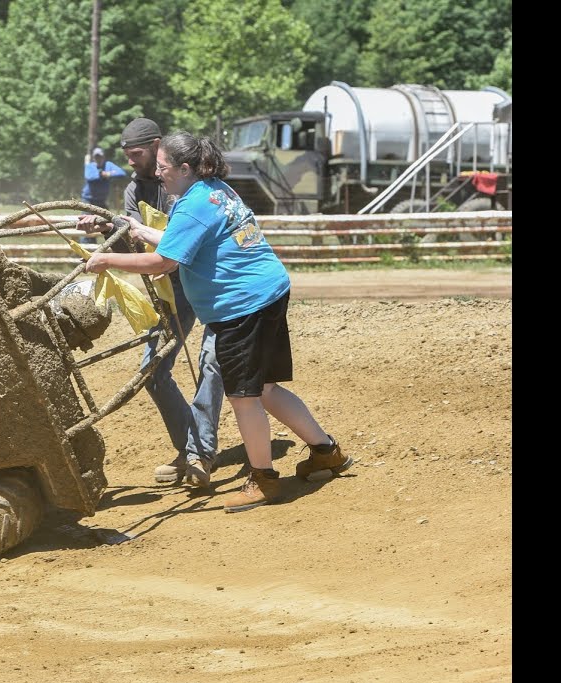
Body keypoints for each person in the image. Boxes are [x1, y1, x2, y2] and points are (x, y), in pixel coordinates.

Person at [83, 131, 354, 512]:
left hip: (241, 306)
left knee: (243, 398)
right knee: (265, 389)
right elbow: (186, 239)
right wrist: (136, 229)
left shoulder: (192, 205)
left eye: (163, 168)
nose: (158, 174)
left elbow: (165, 261)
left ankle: (263, 479)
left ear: (185, 168)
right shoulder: (215, 190)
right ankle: (327, 452)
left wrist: (106, 260)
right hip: (268, 291)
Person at [77, 118, 222, 491]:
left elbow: (179, 243)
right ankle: (189, 448)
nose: (132, 163)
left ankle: (199, 452)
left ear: (158, 147)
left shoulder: (189, 183)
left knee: (212, 364)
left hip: (208, 283)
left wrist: (115, 250)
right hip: (170, 286)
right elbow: (138, 242)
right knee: (154, 371)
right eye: (127, 156)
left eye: (138, 155)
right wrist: (110, 229)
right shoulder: (135, 188)